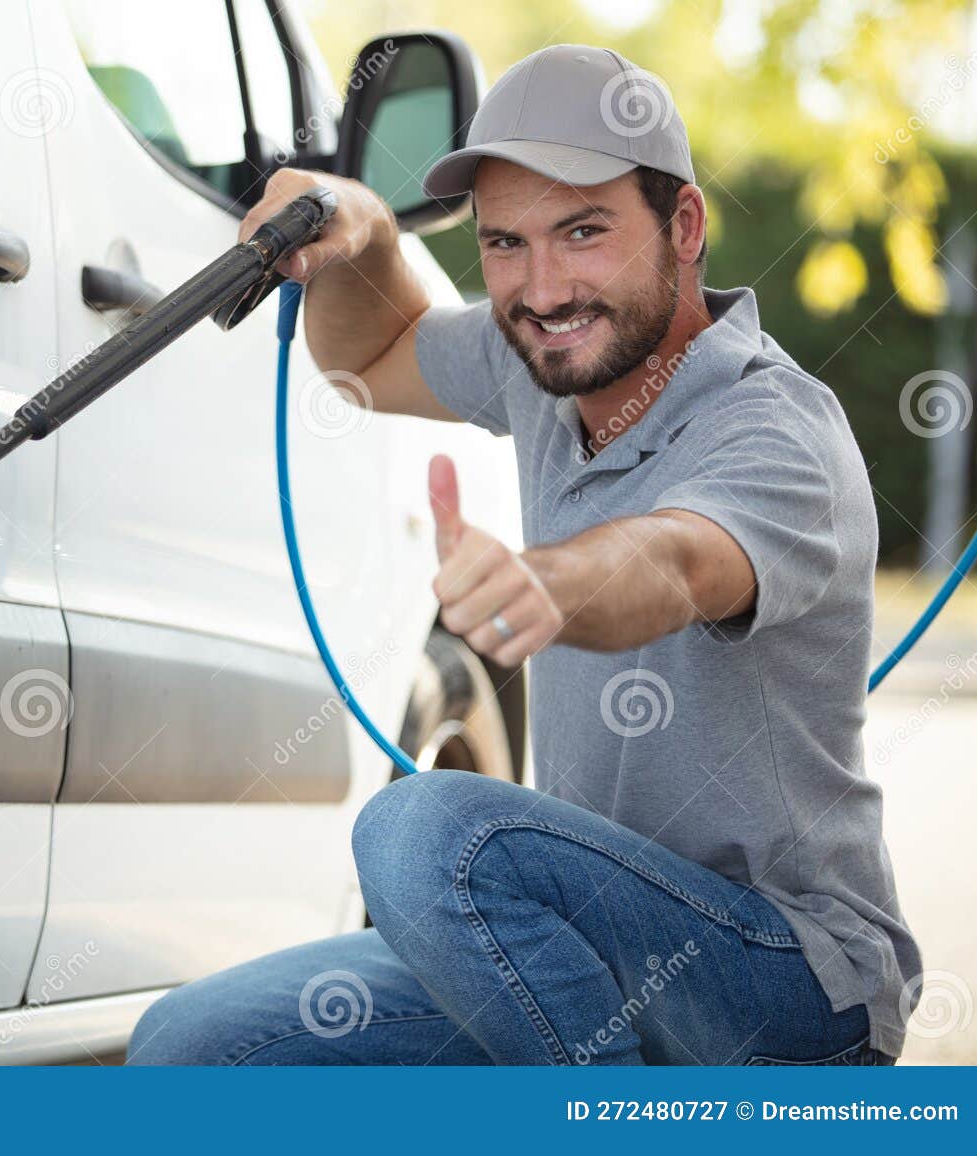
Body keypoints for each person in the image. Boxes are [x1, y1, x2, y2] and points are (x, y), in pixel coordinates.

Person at [126, 44, 921, 1065]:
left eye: (582, 232)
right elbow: (369, 354)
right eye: (505, 243)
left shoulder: (773, 430)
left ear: (682, 229)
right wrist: (362, 227)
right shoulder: (539, 357)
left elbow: (676, 561)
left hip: (792, 981)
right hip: (583, 944)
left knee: (419, 832)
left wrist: (546, 582)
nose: (542, 287)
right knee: (190, 1048)